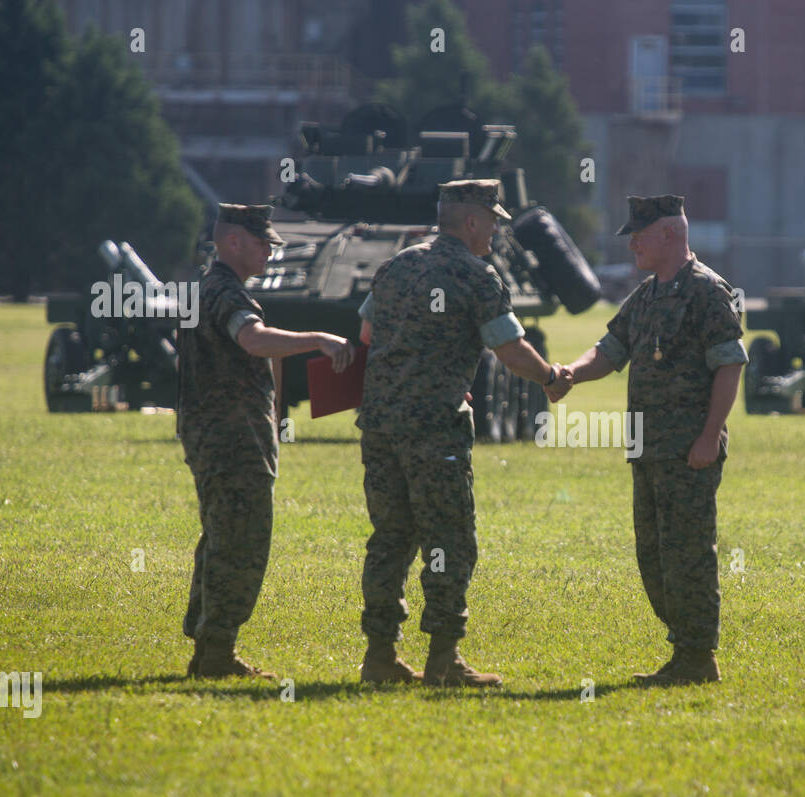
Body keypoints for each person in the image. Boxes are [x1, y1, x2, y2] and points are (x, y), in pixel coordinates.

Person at [356, 179, 571, 687]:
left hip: (381, 424)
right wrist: (549, 379)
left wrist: (433, 365)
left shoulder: (396, 265)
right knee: (448, 539)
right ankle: (443, 659)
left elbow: (367, 335)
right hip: (434, 429)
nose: (497, 230)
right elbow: (511, 351)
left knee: (390, 537)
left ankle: (380, 656)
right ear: (470, 221)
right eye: (493, 220)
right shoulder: (477, 276)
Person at [562, 195, 747, 685]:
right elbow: (608, 350)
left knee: (688, 550)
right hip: (646, 447)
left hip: (689, 450)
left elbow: (729, 365)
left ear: (670, 233)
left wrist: (709, 436)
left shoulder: (707, 292)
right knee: (654, 554)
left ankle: (698, 657)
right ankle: (682, 648)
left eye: (640, 235)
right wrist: (568, 374)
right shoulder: (646, 295)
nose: (632, 244)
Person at [179, 203, 355, 678]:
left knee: (222, 533)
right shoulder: (226, 292)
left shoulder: (207, 287)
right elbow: (254, 342)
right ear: (232, 241)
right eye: (261, 244)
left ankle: (208, 642)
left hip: (219, 431)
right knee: (242, 538)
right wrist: (320, 338)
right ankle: (216, 650)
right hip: (231, 436)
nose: (269, 254)